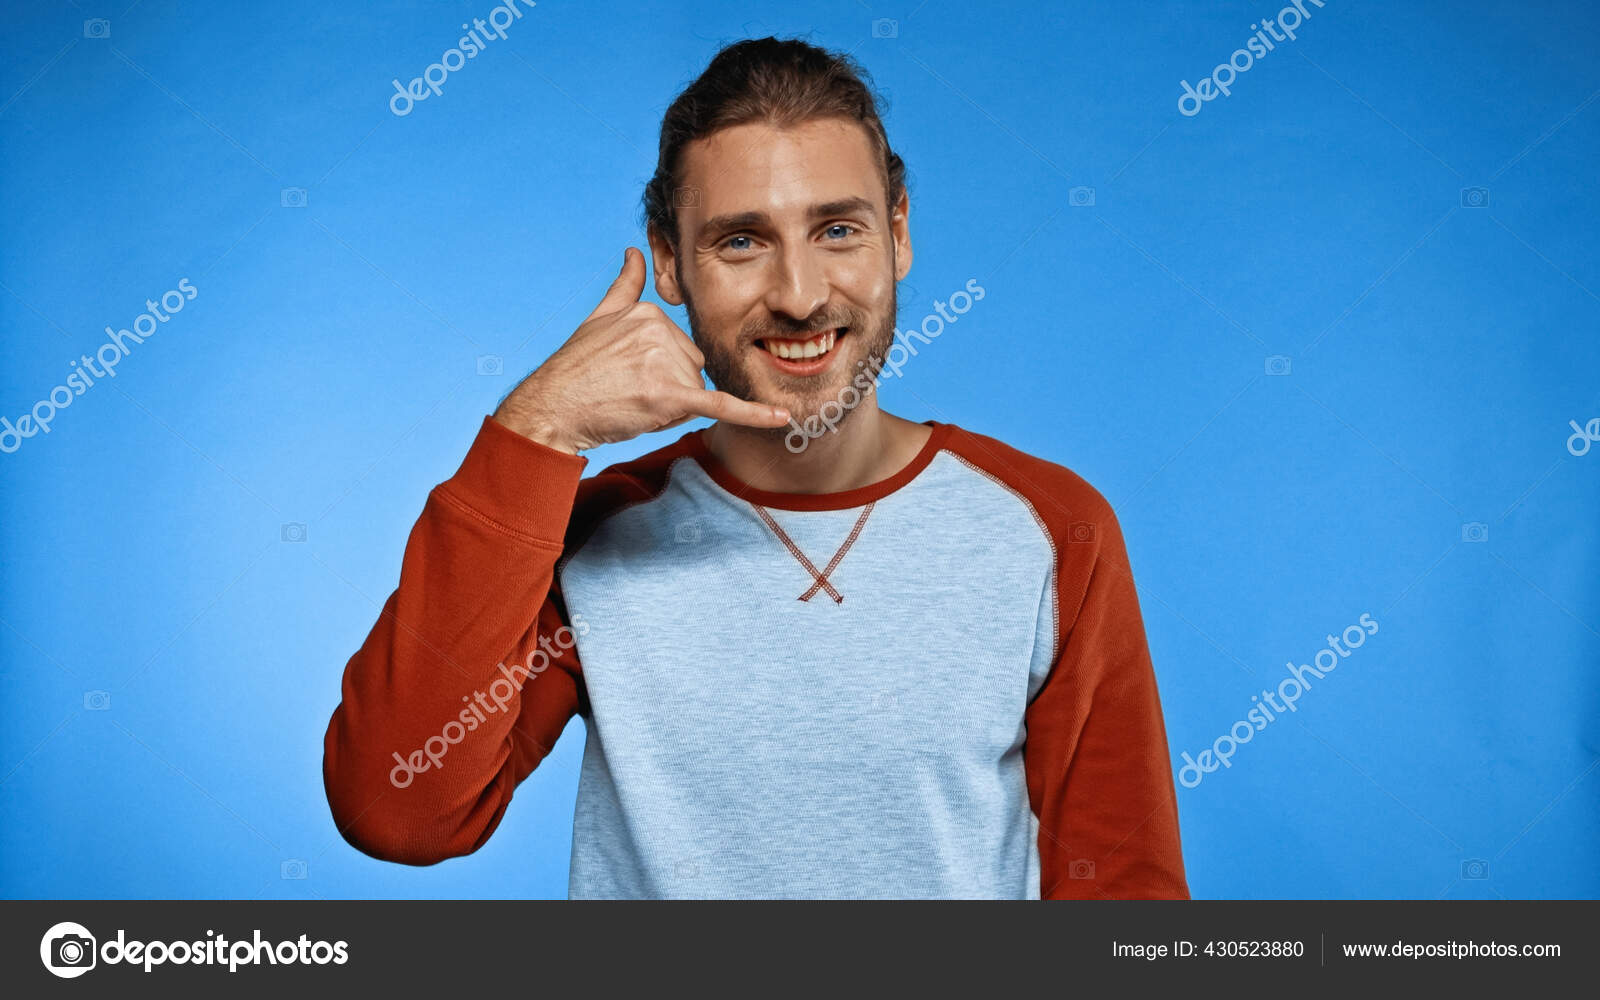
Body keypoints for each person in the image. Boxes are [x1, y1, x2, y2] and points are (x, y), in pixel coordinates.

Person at [322, 36, 1188, 899]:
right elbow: (397, 809)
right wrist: (536, 427)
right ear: (669, 260)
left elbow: (1125, 898)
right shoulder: (593, 537)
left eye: (838, 230)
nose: (801, 296)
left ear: (898, 234)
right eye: (742, 242)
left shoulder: (1049, 530)